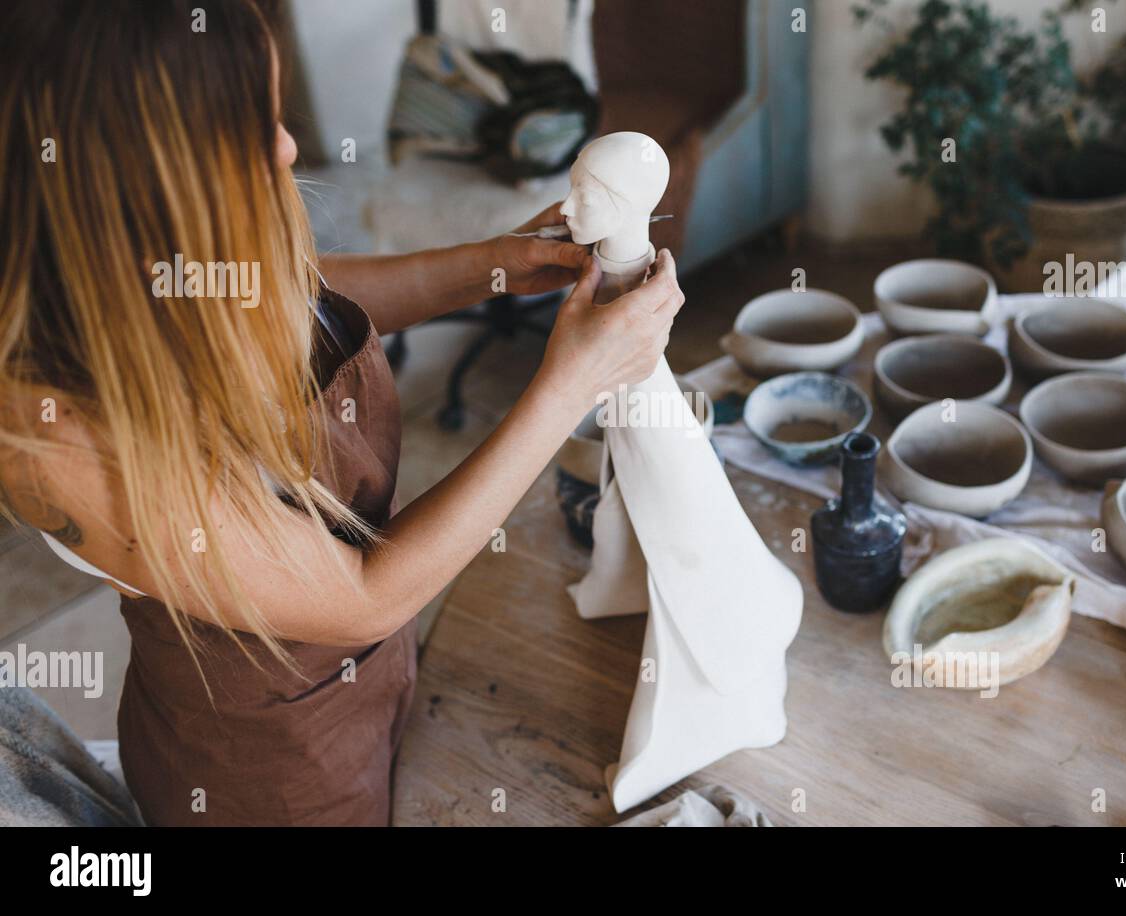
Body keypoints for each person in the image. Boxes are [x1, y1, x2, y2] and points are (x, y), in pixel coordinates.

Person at [0, 0, 684, 826]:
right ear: (126, 184)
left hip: (371, 673)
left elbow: (296, 300)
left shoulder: (163, 274)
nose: (286, 147)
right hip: (267, 775)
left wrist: (489, 268)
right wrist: (571, 382)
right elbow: (365, 594)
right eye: (249, 129)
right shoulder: (59, 444)